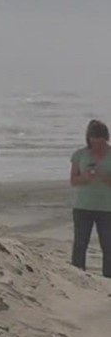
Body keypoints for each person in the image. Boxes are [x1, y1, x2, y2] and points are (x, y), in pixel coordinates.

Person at [69, 119, 111, 278]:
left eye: (100, 142)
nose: (97, 146)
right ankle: (77, 276)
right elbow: (73, 180)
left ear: (106, 138)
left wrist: (103, 176)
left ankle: (108, 279)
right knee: (80, 244)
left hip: (107, 207)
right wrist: (86, 177)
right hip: (83, 206)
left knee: (108, 245)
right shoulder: (80, 154)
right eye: (93, 142)